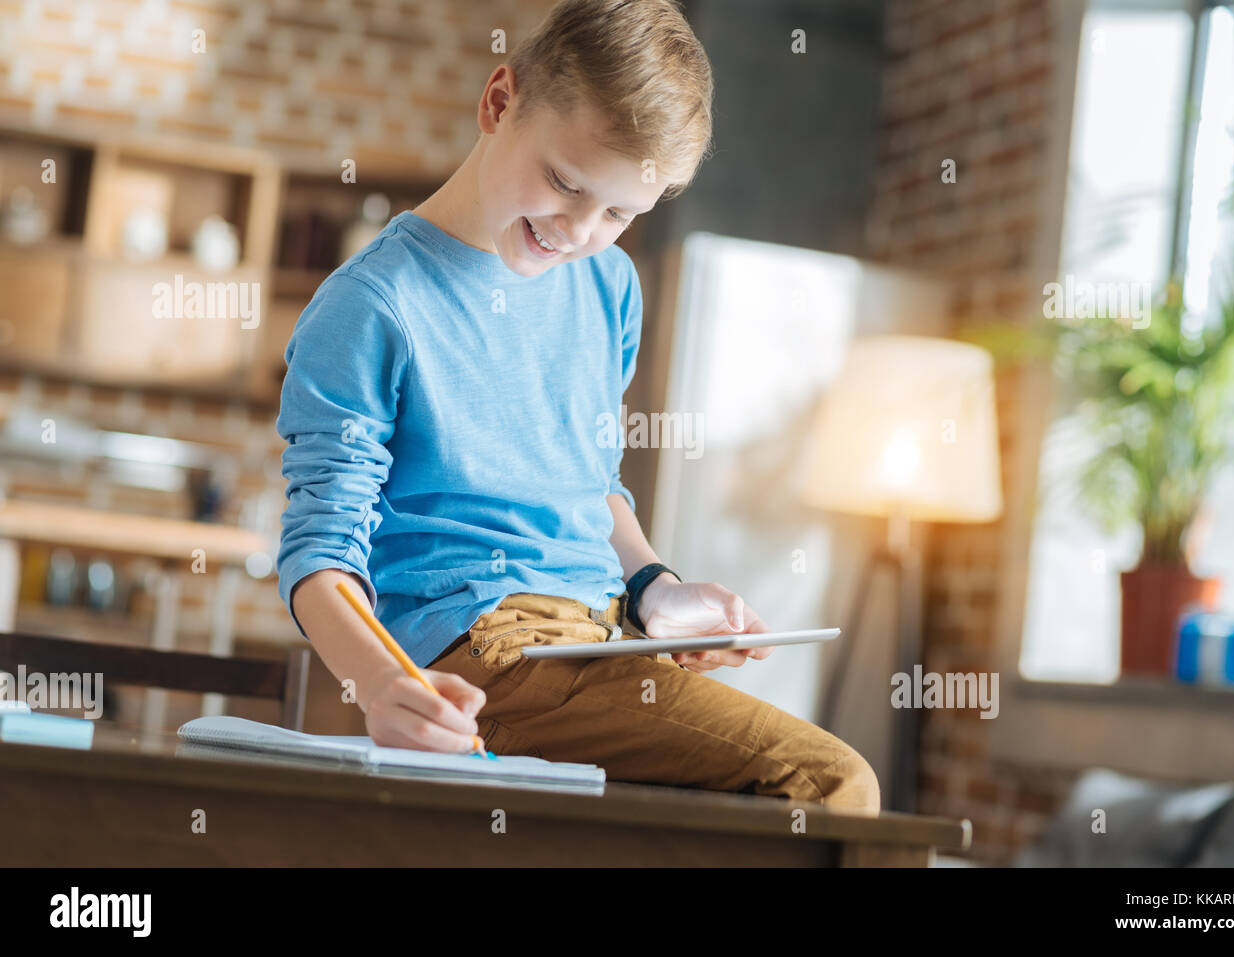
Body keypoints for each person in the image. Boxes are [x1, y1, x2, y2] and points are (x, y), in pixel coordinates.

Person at [276, 0, 879, 812]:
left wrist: (654, 589)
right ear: (498, 102)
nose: (579, 230)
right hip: (487, 653)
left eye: (621, 213)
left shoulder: (609, 286)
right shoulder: (373, 304)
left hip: (602, 641)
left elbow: (592, 479)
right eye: (565, 182)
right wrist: (384, 683)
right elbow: (320, 550)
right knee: (833, 784)